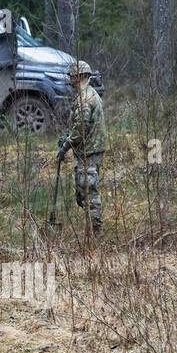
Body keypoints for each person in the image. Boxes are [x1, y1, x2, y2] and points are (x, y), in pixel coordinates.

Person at [57, 59, 106, 232]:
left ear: (79, 77)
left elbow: (80, 130)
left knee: (88, 192)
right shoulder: (90, 93)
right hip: (90, 149)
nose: (70, 80)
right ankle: (92, 231)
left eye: (72, 77)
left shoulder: (84, 99)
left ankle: (95, 234)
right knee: (82, 191)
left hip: (89, 151)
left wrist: (64, 148)